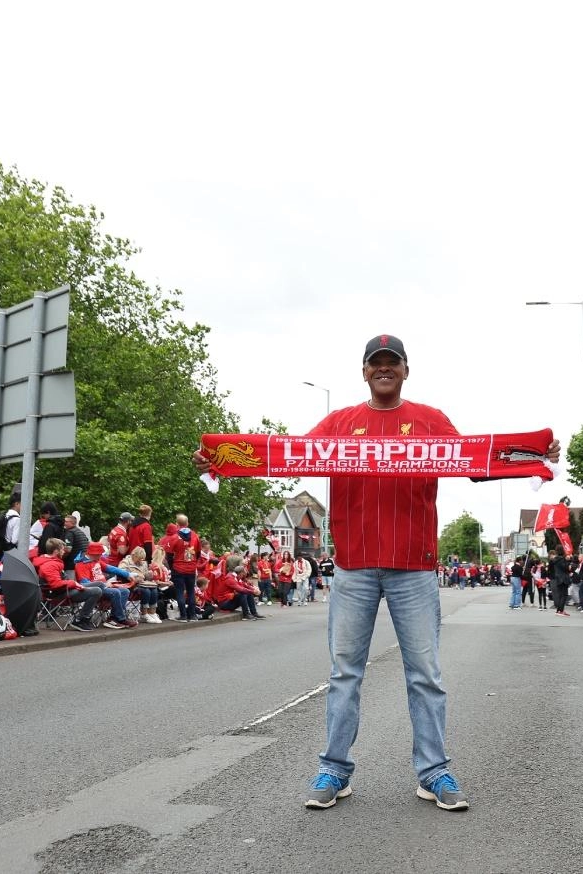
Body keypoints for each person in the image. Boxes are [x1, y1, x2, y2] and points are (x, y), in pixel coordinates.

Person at [194, 333, 560, 812]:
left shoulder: (430, 420)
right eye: (375, 362)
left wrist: (534, 456)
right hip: (354, 568)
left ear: (406, 370)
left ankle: (434, 772)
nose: (384, 368)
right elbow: (286, 454)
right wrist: (219, 458)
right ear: (364, 371)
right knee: (345, 673)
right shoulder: (340, 423)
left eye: (393, 362)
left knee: (425, 675)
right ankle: (334, 769)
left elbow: (476, 460)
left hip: (414, 570)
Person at [33, 538, 103, 632]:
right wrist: (73, 583)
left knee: (100, 584)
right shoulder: (49, 565)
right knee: (96, 591)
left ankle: (95, 613)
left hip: (64, 589)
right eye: (62, 549)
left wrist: (73, 584)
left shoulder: (53, 561)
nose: (64, 552)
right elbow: (56, 584)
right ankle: (80, 620)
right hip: (58, 594)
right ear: (56, 551)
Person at [75, 541, 137, 629]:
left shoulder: (96, 561)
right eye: (99, 554)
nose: (101, 556)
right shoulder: (81, 564)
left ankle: (113, 618)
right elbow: (85, 583)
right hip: (95, 590)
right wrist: (105, 585)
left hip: (105, 587)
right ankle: (120, 618)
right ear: (93, 554)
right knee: (115, 592)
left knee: (125, 591)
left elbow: (111, 568)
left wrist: (127, 574)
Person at [120, 547, 163, 622]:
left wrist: (149, 574)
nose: (141, 560)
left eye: (142, 559)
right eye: (139, 558)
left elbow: (145, 576)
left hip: (142, 583)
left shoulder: (143, 563)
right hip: (130, 585)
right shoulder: (125, 563)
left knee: (154, 590)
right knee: (146, 591)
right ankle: (144, 613)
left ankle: (152, 613)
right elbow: (121, 574)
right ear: (134, 555)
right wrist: (134, 578)